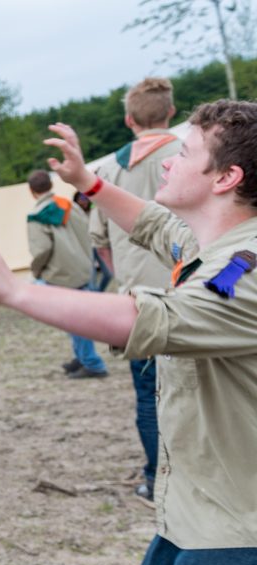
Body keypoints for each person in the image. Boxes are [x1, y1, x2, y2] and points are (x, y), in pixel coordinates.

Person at [0, 100, 257, 565]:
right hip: (201, 503)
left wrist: (19, 293)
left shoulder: (244, 270)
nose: (167, 162)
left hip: (242, 524)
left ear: (226, 177)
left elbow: (149, 317)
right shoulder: (213, 240)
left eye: (185, 153)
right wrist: (88, 183)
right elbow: (155, 224)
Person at [90, 77, 182, 505]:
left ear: (128, 120)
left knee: (149, 397)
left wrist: (124, 276)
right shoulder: (189, 154)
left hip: (135, 306)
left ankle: (156, 477)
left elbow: (101, 240)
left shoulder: (109, 171)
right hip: (193, 295)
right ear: (172, 111)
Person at [25, 169, 108, 378]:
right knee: (78, 319)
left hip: (61, 274)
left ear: (31, 190)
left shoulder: (37, 217)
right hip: (84, 268)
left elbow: (41, 250)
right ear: (50, 185)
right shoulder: (71, 206)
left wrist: (37, 271)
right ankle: (82, 357)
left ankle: (92, 363)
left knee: (75, 320)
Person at [74, 192, 114, 292]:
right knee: (91, 277)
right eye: (81, 199)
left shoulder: (93, 211)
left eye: (85, 199)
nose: (84, 201)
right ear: (76, 200)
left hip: (98, 245)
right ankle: (94, 297)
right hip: (85, 248)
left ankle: (97, 293)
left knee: (109, 274)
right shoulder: (74, 213)